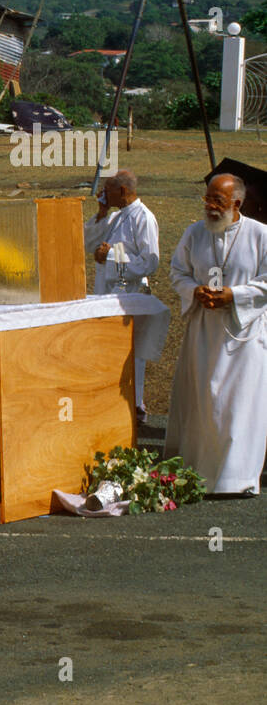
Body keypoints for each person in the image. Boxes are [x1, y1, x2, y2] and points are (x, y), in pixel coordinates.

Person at [164, 173, 267, 496]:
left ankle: (236, 479)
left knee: (236, 405)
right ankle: (199, 472)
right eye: (207, 199)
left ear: (237, 203)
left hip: (242, 336)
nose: (209, 206)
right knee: (203, 400)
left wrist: (233, 295)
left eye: (217, 201)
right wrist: (194, 291)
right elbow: (177, 271)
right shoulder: (194, 233)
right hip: (203, 332)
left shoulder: (260, 235)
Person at [83, 169, 160, 417]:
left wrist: (112, 257)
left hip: (129, 294)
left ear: (123, 191)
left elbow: (150, 262)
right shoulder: (117, 217)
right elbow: (88, 243)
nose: (103, 194)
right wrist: (102, 212)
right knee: (107, 350)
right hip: (107, 292)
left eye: (107, 191)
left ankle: (135, 405)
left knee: (130, 352)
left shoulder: (143, 218)